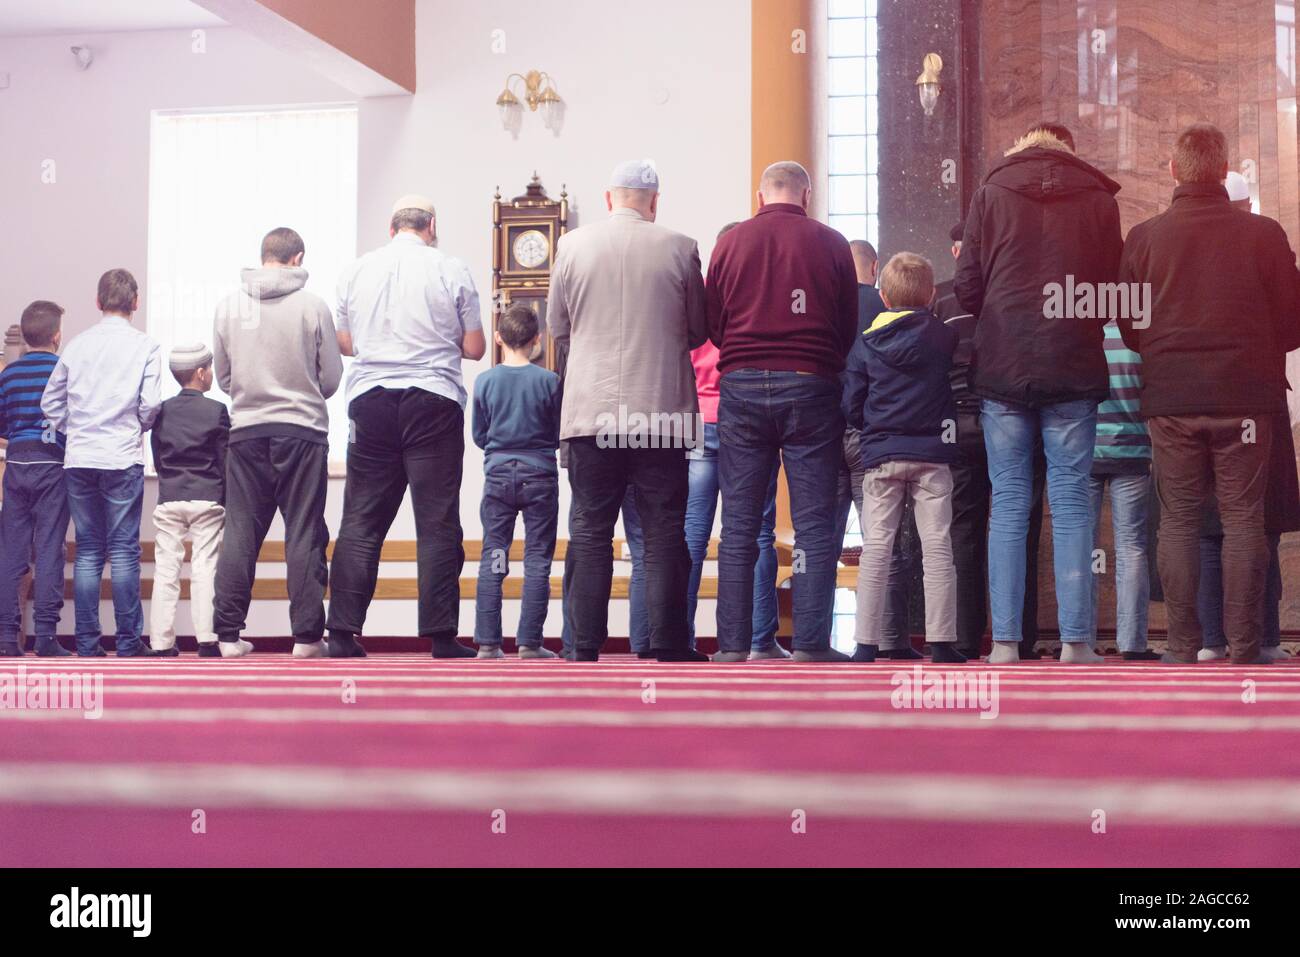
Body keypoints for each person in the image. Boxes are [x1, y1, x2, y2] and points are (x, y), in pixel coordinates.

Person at [1118, 123, 1300, 665]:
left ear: (1173, 170)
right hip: (1246, 399)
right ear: (1224, 172)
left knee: (1177, 521)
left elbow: (1129, 325)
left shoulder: (1145, 238)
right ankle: (1246, 648)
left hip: (1172, 400)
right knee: (1245, 518)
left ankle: (1182, 645)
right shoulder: (1265, 234)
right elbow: (1294, 323)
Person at [955, 122, 1122, 665]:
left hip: (1004, 366)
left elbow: (968, 285)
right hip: (1072, 363)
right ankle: (1077, 642)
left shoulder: (991, 192)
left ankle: (1005, 642)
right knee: (1072, 502)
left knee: (1007, 501)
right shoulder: (1097, 198)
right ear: (1068, 153)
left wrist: (1002, 316)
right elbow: (1110, 287)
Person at [548, 160, 708, 663]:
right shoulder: (681, 248)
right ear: (655, 201)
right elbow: (700, 330)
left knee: (591, 530)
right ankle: (667, 642)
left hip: (591, 412)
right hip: (661, 413)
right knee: (663, 530)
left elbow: (557, 325)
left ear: (607, 197)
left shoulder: (571, 246)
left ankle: (582, 645)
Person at [708, 161, 859, 662]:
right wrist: (817, 360)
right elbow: (845, 326)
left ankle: (732, 648)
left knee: (740, 524)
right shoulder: (832, 243)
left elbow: (714, 320)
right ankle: (812, 645)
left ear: (759, 197)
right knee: (815, 524)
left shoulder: (730, 243)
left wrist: (748, 354)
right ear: (807, 195)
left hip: (742, 387)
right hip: (811, 385)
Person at [329, 196, 485, 659]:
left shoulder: (356, 271)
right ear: (431, 226)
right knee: (436, 521)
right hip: (432, 400)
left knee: (360, 519)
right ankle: (440, 636)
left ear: (391, 226)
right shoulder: (450, 268)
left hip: (370, 402)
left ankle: (341, 633)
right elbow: (474, 347)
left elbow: (346, 342)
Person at [213, 227, 343, 659]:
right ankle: (307, 638)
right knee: (303, 532)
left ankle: (228, 636)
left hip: (247, 431)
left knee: (240, 532)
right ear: (298, 257)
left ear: (263, 255)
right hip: (302, 432)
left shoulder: (228, 306)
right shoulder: (313, 306)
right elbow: (330, 379)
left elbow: (225, 378)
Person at [928, 223, 1047, 659]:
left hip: (956, 426)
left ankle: (964, 638)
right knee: (1020, 529)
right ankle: (1020, 637)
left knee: (963, 530)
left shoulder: (939, 297)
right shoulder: (1020, 294)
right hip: (1013, 418)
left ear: (957, 250)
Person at [844, 253, 964, 663]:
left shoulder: (865, 343)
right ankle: (943, 642)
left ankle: (865, 644)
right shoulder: (943, 338)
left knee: (876, 548)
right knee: (937, 547)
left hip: (882, 454)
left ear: (882, 295)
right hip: (933, 453)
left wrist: (876, 427)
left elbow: (852, 402)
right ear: (931, 295)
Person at [42, 269, 162, 657]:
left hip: (80, 458)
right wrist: (134, 427)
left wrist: (74, 427)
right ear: (136, 302)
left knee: (90, 550)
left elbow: (50, 403)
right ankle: (128, 643)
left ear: (97, 302)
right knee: (125, 550)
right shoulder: (146, 346)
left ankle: (88, 644)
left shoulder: (76, 345)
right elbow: (152, 405)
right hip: (121, 456)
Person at [471, 303, 561, 659]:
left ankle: (489, 643)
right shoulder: (549, 381)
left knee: (495, 554)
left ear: (498, 338)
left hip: (497, 477)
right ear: (537, 340)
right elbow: (556, 432)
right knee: (538, 558)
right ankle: (529, 643)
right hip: (539, 475)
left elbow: (480, 434)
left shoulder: (485, 381)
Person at [148, 344, 230, 657]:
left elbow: (157, 456)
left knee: (166, 570)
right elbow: (224, 458)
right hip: (206, 498)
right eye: (209, 368)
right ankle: (207, 640)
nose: (211, 373)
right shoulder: (216, 410)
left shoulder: (162, 410)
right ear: (200, 373)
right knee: (204, 567)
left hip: (170, 497)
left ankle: (160, 642)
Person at [0, 301, 70, 657]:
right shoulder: (64, 370)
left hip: (15, 464)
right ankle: (45, 636)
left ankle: (6, 638)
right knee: (49, 550)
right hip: (52, 466)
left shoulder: (8, 374)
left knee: (12, 553)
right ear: (57, 336)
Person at [1087, 320, 1156, 660]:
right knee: (1132, 548)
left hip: (1083, 454)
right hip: (1132, 451)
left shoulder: (1083, 334)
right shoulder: (1139, 336)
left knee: (1081, 547)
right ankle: (1132, 642)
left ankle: (1079, 640)